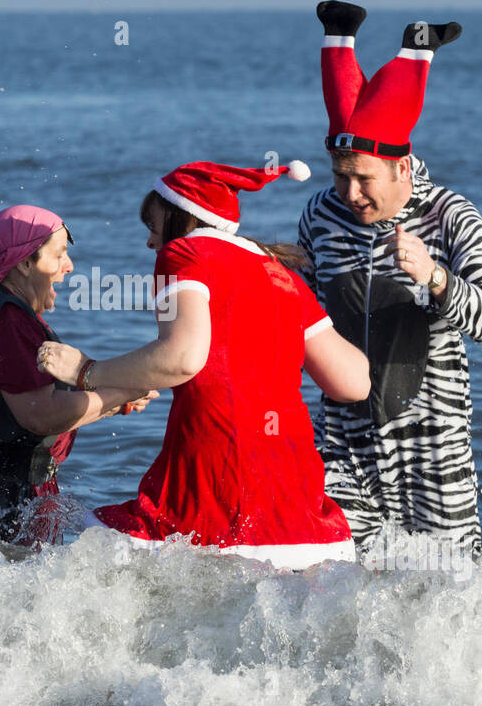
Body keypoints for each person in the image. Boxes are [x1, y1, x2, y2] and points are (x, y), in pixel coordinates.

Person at [38, 159, 372, 571]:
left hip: (215, 473)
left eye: (153, 228)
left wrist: (88, 371)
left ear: (181, 218)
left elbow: (183, 358)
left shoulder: (184, 251)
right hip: (293, 488)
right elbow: (354, 382)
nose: (149, 244)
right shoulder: (278, 271)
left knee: (105, 553)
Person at [299, 0, 482, 554]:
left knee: (448, 589)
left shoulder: (452, 215)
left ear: (401, 166)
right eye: (341, 177)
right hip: (344, 443)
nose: (350, 194)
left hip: (433, 442)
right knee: (335, 577)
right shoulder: (321, 215)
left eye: (363, 180)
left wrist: (437, 278)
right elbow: (300, 309)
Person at [0, 205, 156, 544]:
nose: (68, 266)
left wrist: (115, 401)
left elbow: (31, 408)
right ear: (25, 262)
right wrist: (122, 392)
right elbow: (40, 416)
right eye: (59, 255)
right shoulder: (8, 320)